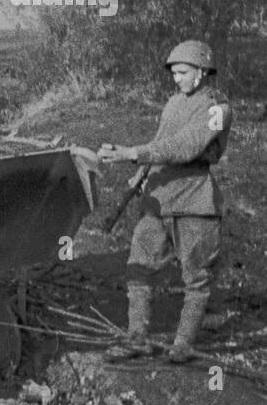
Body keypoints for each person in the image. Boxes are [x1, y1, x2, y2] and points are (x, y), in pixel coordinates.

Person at [100, 40, 233, 364]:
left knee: (196, 277)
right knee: (138, 266)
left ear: (201, 72)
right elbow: (162, 142)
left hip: (194, 202)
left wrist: (133, 153)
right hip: (159, 198)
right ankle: (138, 337)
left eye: (183, 72)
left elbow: (185, 146)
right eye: (174, 73)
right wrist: (141, 173)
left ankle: (183, 344)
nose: (177, 79)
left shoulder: (218, 109)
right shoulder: (173, 104)